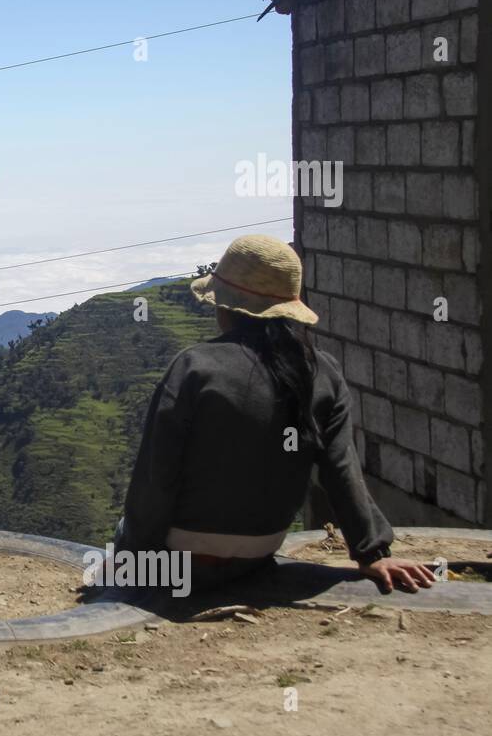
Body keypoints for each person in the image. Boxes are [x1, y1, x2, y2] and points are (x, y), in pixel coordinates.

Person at [113, 234, 435, 595]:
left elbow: (157, 476)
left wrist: (135, 559)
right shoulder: (321, 372)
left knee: (124, 529)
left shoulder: (193, 367)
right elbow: (340, 468)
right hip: (260, 551)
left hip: (180, 563)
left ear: (225, 306)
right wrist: (372, 551)